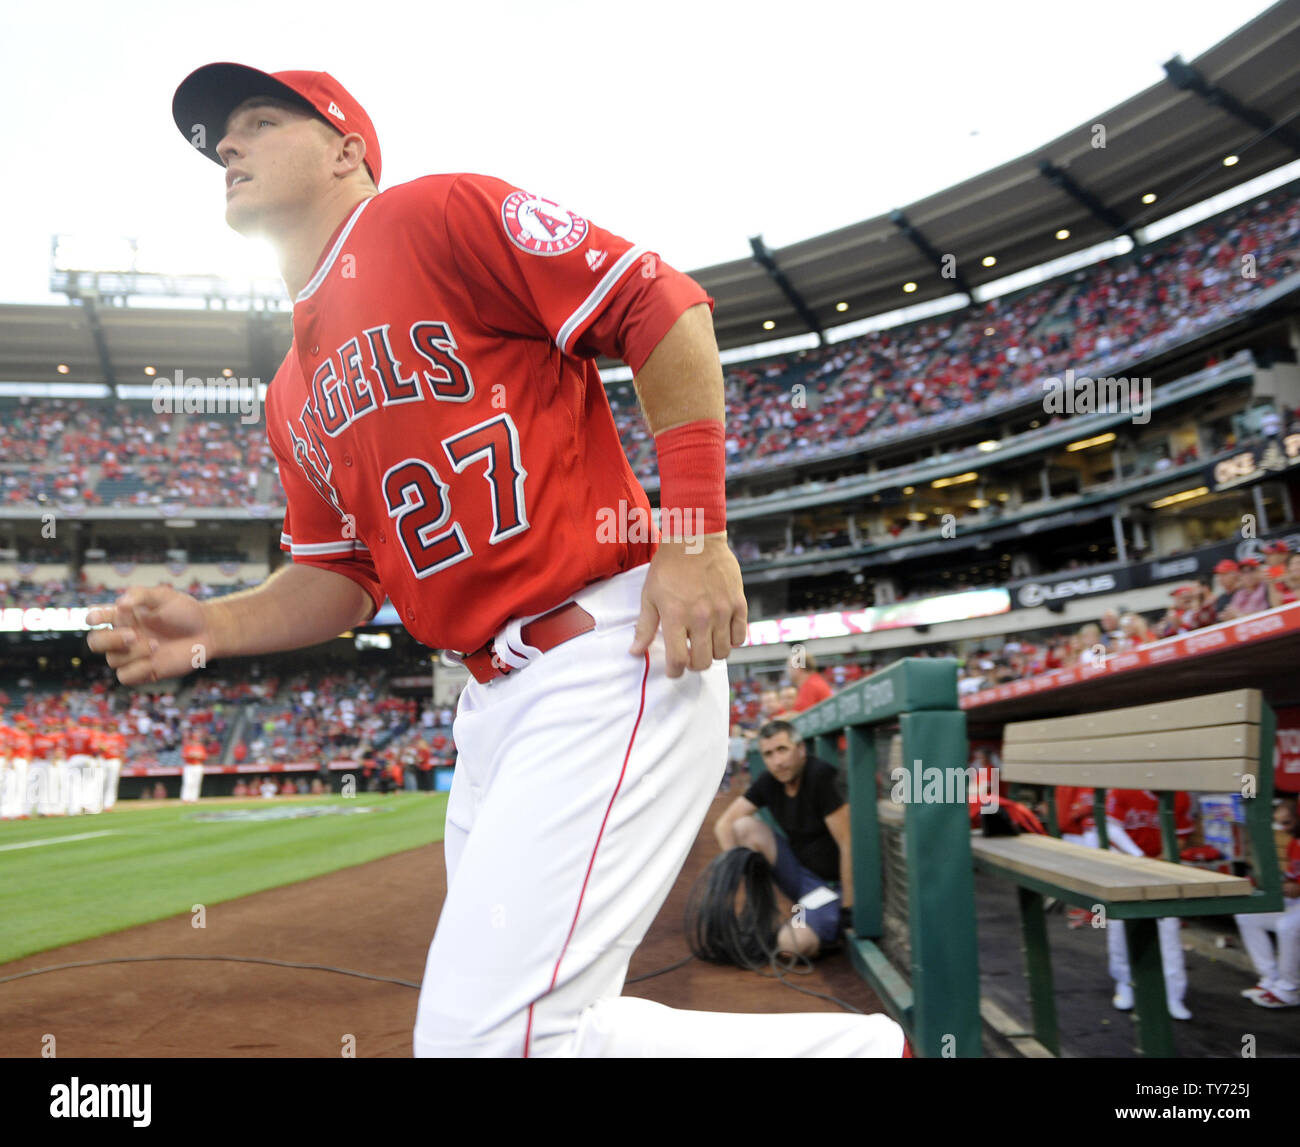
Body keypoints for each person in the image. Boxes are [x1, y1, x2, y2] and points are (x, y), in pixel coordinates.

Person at [84, 63, 905, 1059]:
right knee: (551, 1030)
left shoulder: (429, 216)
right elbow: (341, 577)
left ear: (348, 151)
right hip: (489, 707)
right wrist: (217, 623)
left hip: (602, 649)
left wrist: (691, 531)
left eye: (260, 121)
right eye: (219, 139)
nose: (229, 148)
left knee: (481, 1041)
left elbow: (661, 306)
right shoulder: (290, 387)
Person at [712, 721, 852, 960]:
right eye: (769, 754)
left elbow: (847, 844)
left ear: (800, 750)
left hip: (832, 886)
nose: (777, 761)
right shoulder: (770, 781)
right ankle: (790, 913)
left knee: (789, 945)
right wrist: (737, 881)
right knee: (743, 827)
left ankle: (815, 921)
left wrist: (849, 907)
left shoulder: (821, 776)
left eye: (782, 750)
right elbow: (723, 825)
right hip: (802, 879)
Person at [1102, 788, 1195, 1021]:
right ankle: (1125, 983)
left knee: (1168, 929)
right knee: (1120, 926)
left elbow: (1181, 836)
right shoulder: (1123, 788)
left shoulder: (1179, 795)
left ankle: (1173, 994)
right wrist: (1139, 858)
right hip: (1122, 862)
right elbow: (1110, 828)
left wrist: (1160, 861)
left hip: (1160, 867)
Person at [1234, 798, 1300, 1008]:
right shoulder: (1294, 844)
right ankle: (1270, 979)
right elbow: (1292, 881)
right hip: (1296, 903)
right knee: (1247, 914)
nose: (1283, 828)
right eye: (1280, 822)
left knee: (1287, 926)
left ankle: (1290, 989)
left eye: (1287, 823)